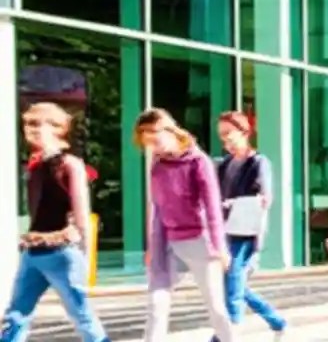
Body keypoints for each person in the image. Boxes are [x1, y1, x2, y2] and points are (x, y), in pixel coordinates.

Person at [0, 102, 110, 342]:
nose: (32, 130)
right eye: (29, 124)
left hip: (62, 253)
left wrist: (86, 260)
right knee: (17, 314)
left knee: (81, 315)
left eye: (40, 124)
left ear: (58, 128)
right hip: (33, 254)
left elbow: (81, 218)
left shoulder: (70, 164)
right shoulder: (36, 165)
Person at [134, 109, 236, 342]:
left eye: (155, 141)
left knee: (216, 308)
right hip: (168, 242)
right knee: (156, 304)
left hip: (200, 241)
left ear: (170, 132)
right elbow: (158, 210)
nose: (154, 149)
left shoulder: (199, 162)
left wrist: (220, 247)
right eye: (147, 144)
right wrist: (152, 247)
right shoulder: (158, 166)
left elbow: (212, 208)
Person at [215, 111, 286, 340]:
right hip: (225, 233)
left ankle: (228, 335)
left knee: (234, 282)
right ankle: (277, 321)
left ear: (244, 132)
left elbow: (266, 197)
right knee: (235, 286)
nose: (225, 140)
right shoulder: (223, 165)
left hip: (247, 233)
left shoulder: (259, 162)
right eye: (221, 136)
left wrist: (236, 203)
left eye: (228, 134)